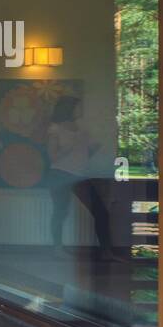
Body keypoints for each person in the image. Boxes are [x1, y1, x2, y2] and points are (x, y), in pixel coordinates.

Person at [44, 95, 113, 256]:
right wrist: (73, 145)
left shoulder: (82, 128)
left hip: (79, 175)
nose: (80, 109)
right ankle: (57, 249)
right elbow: (52, 157)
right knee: (60, 212)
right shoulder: (55, 129)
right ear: (69, 109)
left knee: (100, 210)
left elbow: (88, 150)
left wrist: (89, 149)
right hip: (60, 175)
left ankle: (106, 251)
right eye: (78, 107)